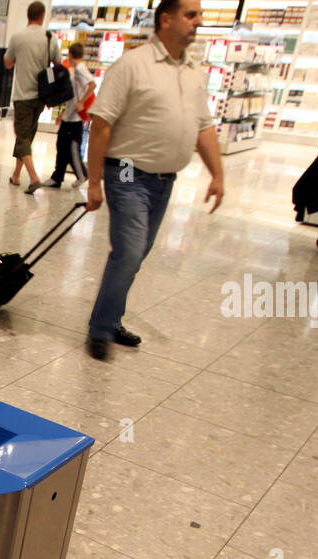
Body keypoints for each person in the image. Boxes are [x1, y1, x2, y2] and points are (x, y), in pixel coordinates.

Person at [83, 0, 223, 361]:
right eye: (191, 15)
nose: (198, 23)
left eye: (199, 16)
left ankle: (110, 319)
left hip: (165, 179)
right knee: (128, 252)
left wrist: (217, 174)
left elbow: (204, 126)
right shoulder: (133, 65)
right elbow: (101, 124)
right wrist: (94, 181)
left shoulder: (193, 70)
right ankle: (100, 330)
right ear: (166, 19)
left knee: (137, 254)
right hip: (127, 173)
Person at [4, 2, 52, 191]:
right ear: (42, 16)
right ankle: (16, 175)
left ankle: (33, 177)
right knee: (27, 136)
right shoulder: (49, 38)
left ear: (28, 15)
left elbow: (8, 63)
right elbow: (56, 62)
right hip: (41, 95)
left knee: (22, 136)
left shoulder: (18, 37)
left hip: (23, 94)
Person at [48, 41, 95, 186]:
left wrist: (81, 103)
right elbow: (72, 96)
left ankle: (82, 175)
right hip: (69, 116)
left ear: (70, 54)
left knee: (72, 148)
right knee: (61, 146)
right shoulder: (76, 70)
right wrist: (63, 113)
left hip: (75, 119)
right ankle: (57, 177)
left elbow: (93, 84)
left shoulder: (80, 69)